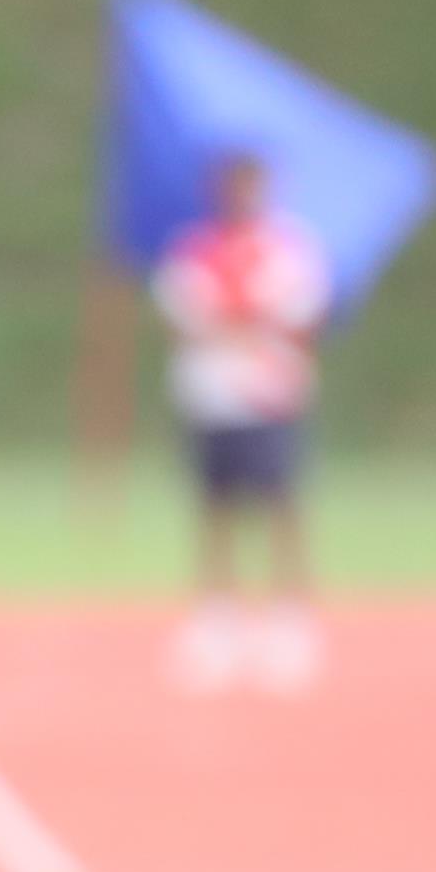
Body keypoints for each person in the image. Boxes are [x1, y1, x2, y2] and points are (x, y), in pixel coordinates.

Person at [153, 149, 332, 696]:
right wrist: (246, 323)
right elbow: (187, 321)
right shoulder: (194, 252)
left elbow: (301, 319)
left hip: (269, 396)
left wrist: (240, 325)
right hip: (212, 398)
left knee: (280, 502)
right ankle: (218, 619)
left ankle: (289, 618)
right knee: (216, 506)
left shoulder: (287, 249)